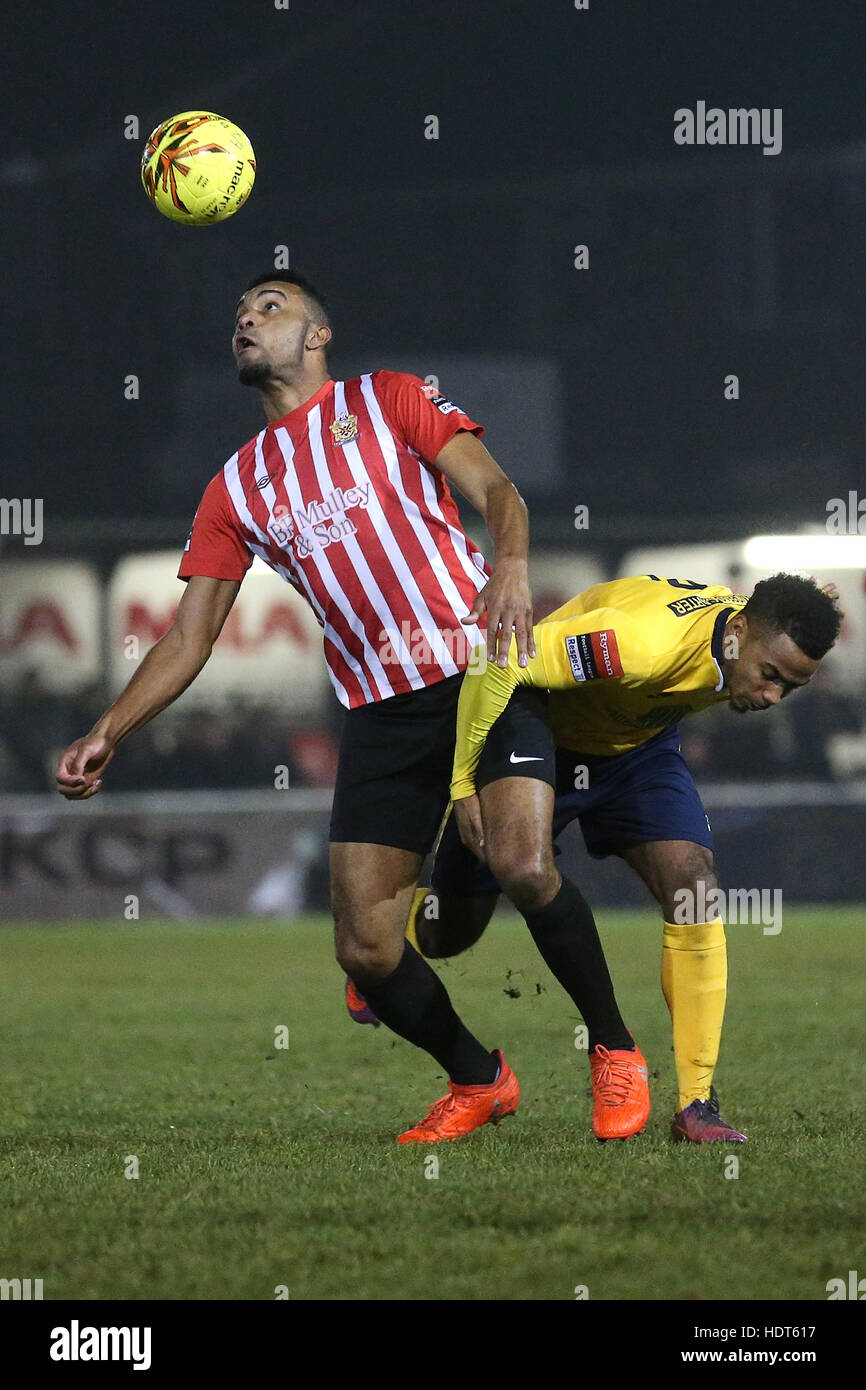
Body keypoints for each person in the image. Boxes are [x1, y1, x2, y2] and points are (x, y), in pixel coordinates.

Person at [56, 269, 536, 1144]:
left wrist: (509, 565)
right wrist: (107, 730)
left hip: (475, 673)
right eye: (239, 312)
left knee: (510, 862)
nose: (246, 318)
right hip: (381, 713)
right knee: (365, 950)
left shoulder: (388, 399)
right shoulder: (234, 487)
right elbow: (187, 638)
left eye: (269, 308)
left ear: (318, 335)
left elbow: (499, 491)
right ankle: (480, 1078)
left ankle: (613, 1050)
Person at [355, 573, 842, 1144]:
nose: (772, 697)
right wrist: (463, 783)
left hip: (636, 747)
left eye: (791, 687)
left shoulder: (751, 630)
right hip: (538, 721)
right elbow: (500, 661)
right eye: (770, 677)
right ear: (738, 633)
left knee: (694, 885)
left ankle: (695, 1103)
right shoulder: (638, 641)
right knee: (453, 931)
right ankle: (390, 946)